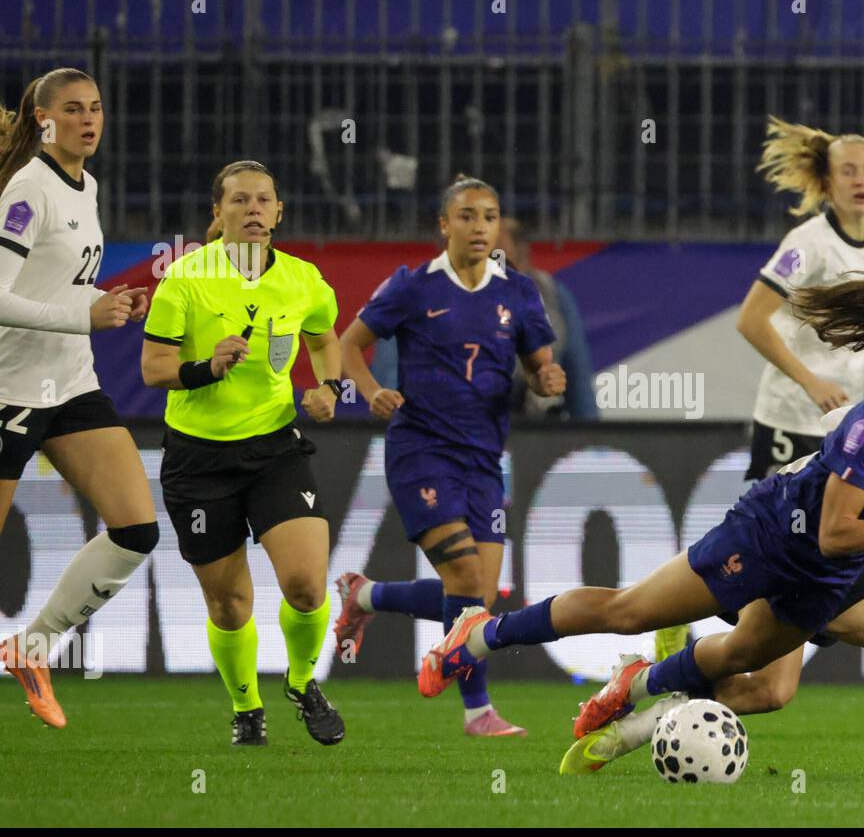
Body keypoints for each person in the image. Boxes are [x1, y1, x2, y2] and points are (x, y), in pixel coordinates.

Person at [423, 269, 864, 777]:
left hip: (834, 574)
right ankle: (480, 636)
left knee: (778, 666)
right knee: (630, 612)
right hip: (775, 536)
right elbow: (835, 533)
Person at [560, 372, 864, 775]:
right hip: (790, 544)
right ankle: (636, 691)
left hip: (843, 575)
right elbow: (843, 423)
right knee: (747, 668)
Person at [654, 115, 864, 662]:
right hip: (791, 418)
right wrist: (810, 380)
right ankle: (678, 612)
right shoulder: (807, 243)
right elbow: (752, 319)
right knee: (761, 548)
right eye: (848, 171)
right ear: (829, 180)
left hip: (851, 426)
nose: (861, 180)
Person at [333, 175, 565, 738]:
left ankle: (363, 595)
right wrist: (370, 392)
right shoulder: (413, 288)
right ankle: (477, 712)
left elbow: (541, 366)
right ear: (444, 224)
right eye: (466, 216)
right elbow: (347, 343)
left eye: (488, 216)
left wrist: (547, 378)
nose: (479, 226)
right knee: (463, 575)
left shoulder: (519, 291)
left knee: (478, 600)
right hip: (421, 450)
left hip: (484, 457)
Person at [140, 159, 346, 747]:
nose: (253, 209)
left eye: (264, 200)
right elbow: (153, 369)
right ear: (219, 212)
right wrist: (206, 368)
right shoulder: (184, 279)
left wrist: (329, 388)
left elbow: (326, 338)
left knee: (306, 585)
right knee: (230, 604)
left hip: (275, 449)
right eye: (240, 201)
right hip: (199, 459)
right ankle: (246, 707)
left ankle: (303, 682)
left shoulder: (304, 279)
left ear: (279, 213)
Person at [0, 67, 157, 729]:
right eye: (72, 109)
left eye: (96, 107)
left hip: (69, 385)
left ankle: (33, 646)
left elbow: (61, 284)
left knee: (135, 529)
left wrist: (106, 300)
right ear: (43, 120)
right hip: (9, 389)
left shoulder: (85, 184)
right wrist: (83, 317)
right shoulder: (27, 190)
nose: (88, 119)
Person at [499, 217, 598, 421]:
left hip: (540, 423)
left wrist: (591, 439)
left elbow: (577, 379)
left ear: (522, 253)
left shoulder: (554, 295)